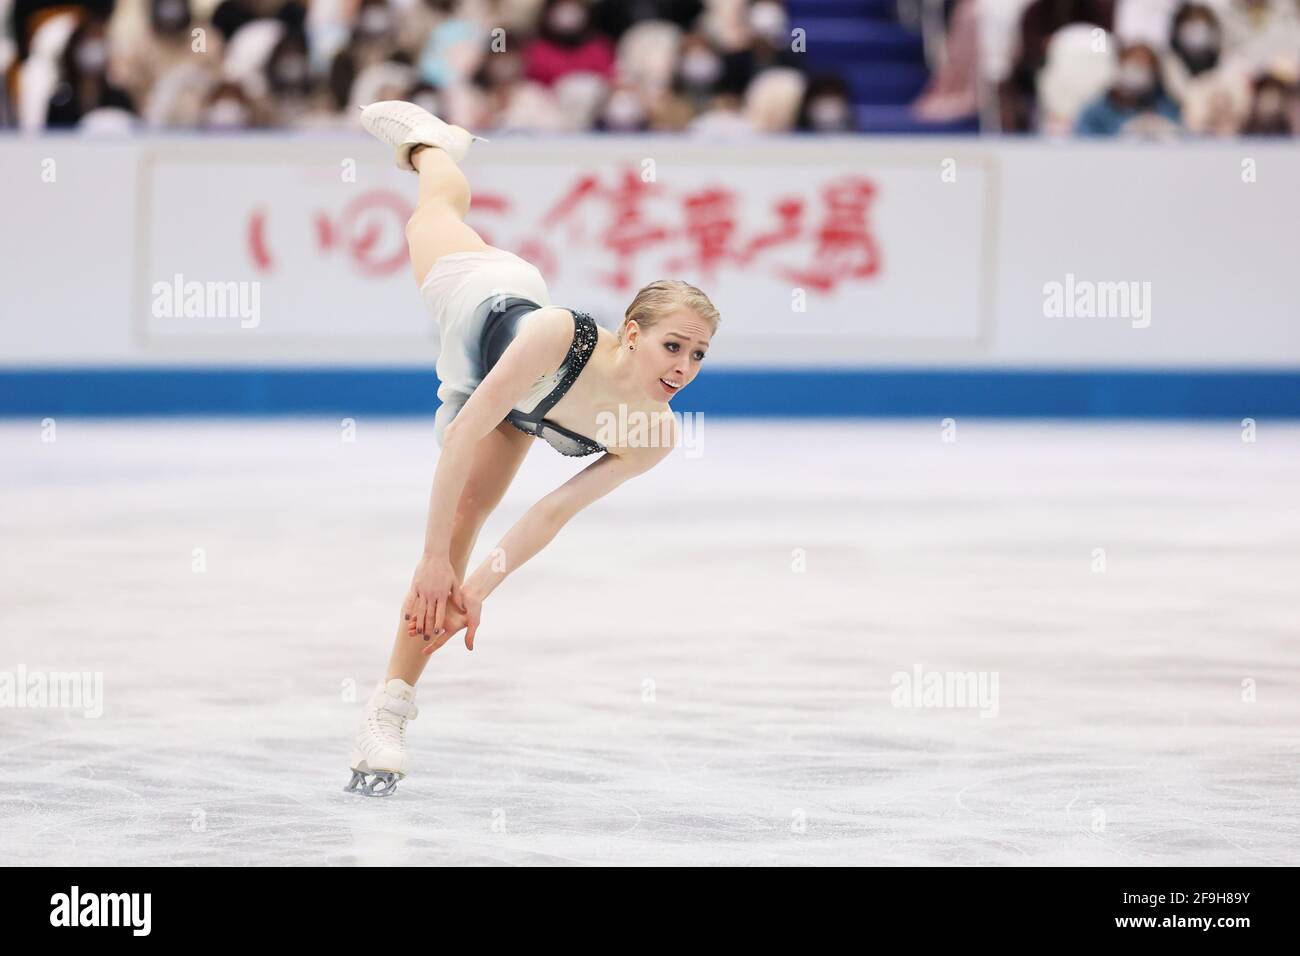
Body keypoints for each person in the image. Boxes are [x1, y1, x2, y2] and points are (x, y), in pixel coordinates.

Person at [344, 100, 721, 796]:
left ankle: (387, 711)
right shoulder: (559, 334)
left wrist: (476, 587)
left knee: (466, 542)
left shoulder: (655, 433)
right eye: (673, 345)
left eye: (698, 354)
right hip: (484, 303)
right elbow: (462, 434)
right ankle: (431, 146)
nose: (684, 367)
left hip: (524, 412)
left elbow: (550, 513)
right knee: (432, 215)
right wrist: (432, 564)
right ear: (632, 334)